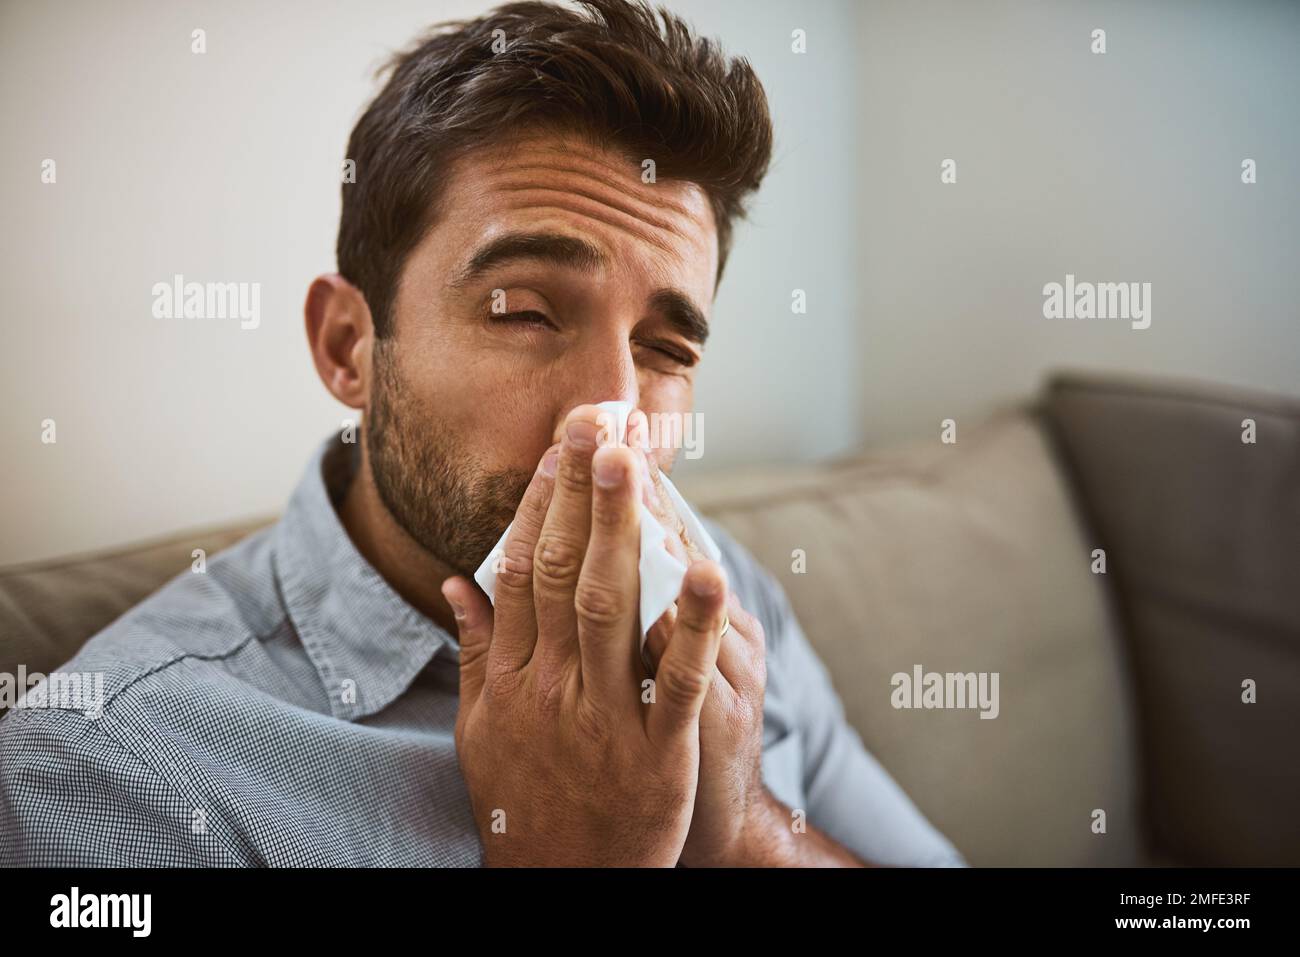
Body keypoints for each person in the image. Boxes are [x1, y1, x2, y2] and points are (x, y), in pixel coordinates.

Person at [0, 0, 965, 867]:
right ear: (350, 347)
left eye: (665, 346)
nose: (610, 423)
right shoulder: (105, 775)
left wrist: (748, 830)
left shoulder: (729, 599)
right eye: (526, 311)